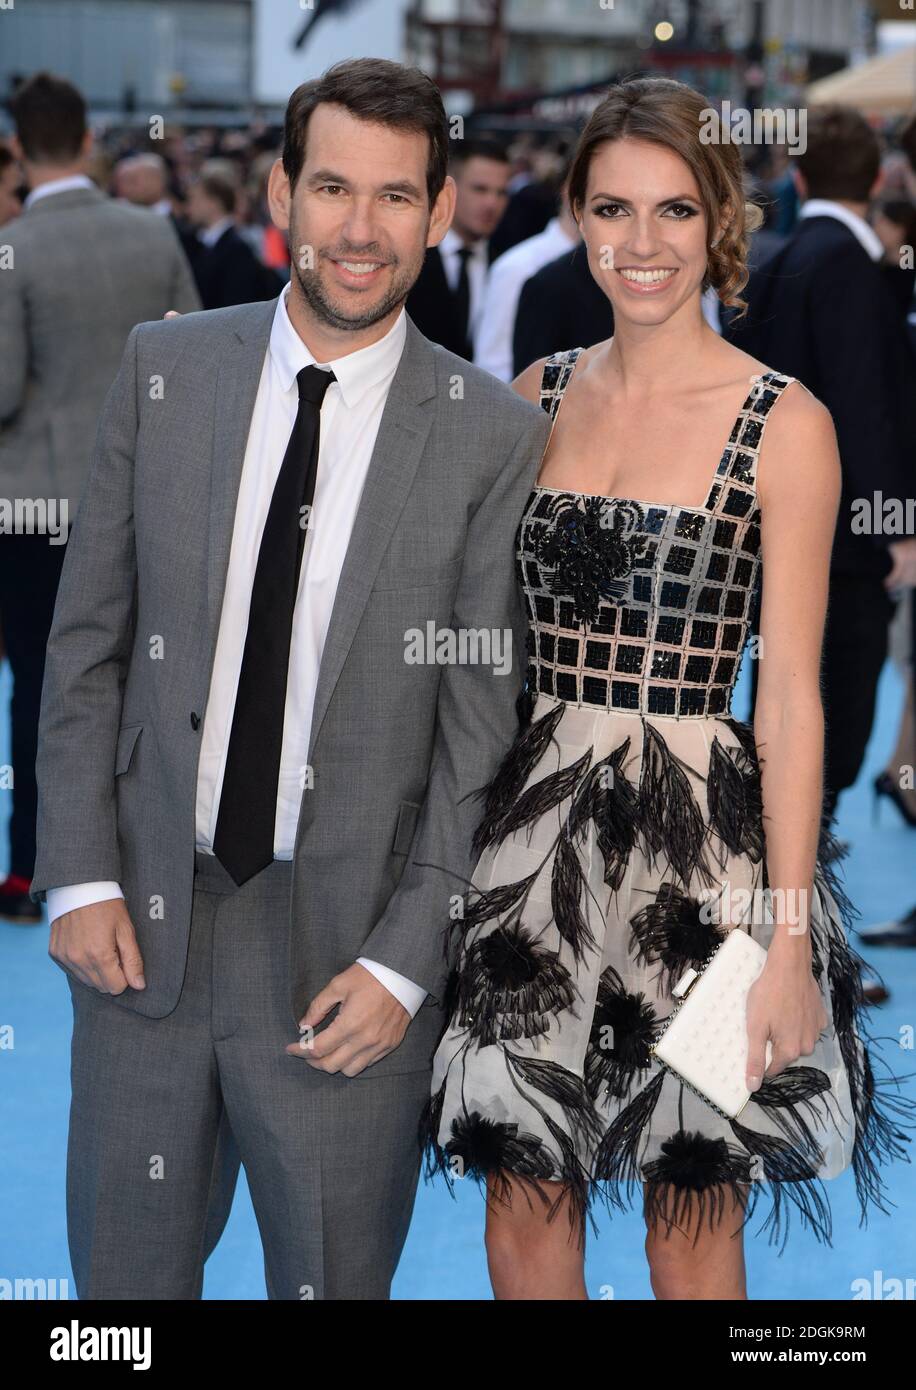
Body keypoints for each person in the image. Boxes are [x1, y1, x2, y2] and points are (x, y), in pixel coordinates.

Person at [29, 57, 550, 1301]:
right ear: (280, 192)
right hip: (140, 934)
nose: (358, 230)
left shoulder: (492, 435)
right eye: (330, 188)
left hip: (344, 967)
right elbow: (84, 643)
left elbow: (478, 738)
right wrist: (79, 873)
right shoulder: (167, 369)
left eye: (392, 197)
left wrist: (403, 963)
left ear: (434, 214)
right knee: (120, 1304)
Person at [423, 76, 915, 1301]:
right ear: (578, 220)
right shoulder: (531, 397)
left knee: (690, 1223)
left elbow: (791, 696)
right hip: (530, 847)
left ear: (718, 222)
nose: (641, 244)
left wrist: (793, 942)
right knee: (520, 1201)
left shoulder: (783, 422)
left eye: (673, 211)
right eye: (611, 209)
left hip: (709, 870)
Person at [0, 72, 201, 926]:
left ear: (17, 150)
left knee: (48, 683)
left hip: (36, 504)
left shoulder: (12, 250)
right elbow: (198, 356)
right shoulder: (152, 236)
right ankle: (147, 852)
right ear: (89, 142)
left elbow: (3, 390)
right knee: (145, 675)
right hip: (147, 489)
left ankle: (33, 865)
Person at [726, 105, 916, 820]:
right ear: (876, 177)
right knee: (830, 726)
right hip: (843, 544)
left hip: (779, 533)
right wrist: (894, 528)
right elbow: (863, 407)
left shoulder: (781, 259)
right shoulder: (847, 268)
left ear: (801, 178)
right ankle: (806, 897)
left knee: (783, 709)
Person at [406, 136, 510, 359]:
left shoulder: (507, 265)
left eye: (501, 192)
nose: (492, 203)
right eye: (480, 189)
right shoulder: (410, 255)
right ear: (448, 192)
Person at [185, 159, 285, 309]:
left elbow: (235, 304)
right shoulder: (201, 243)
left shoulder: (237, 249)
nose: (188, 207)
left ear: (213, 202)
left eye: (194, 199)